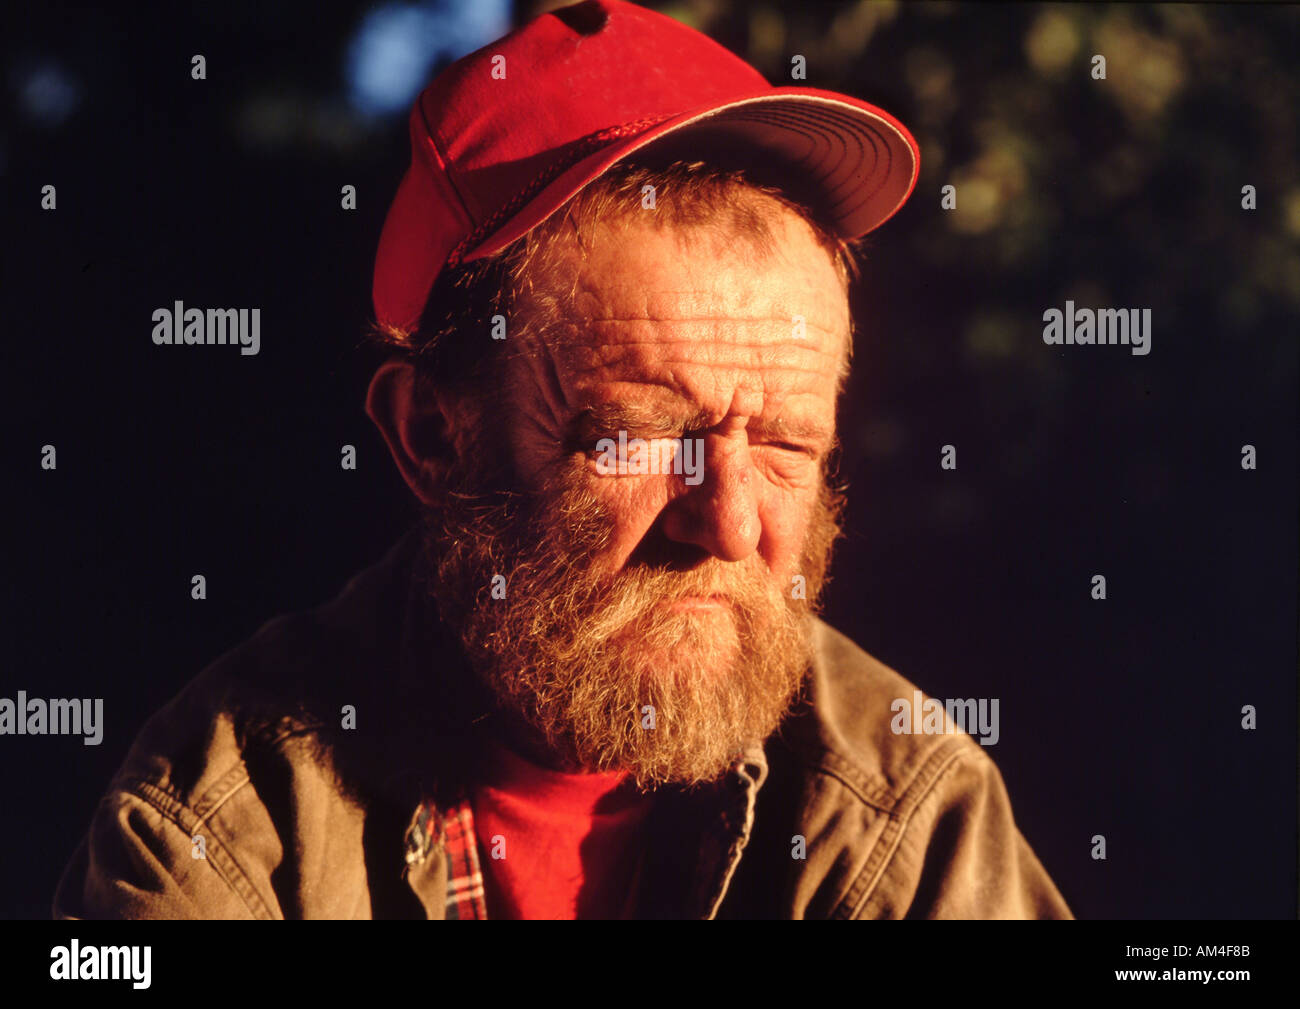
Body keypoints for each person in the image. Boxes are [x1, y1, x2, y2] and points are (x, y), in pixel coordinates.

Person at [55, 0, 1071, 920]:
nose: (725, 523)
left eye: (784, 444)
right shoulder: (223, 835)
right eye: (637, 435)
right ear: (434, 438)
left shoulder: (909, 813)